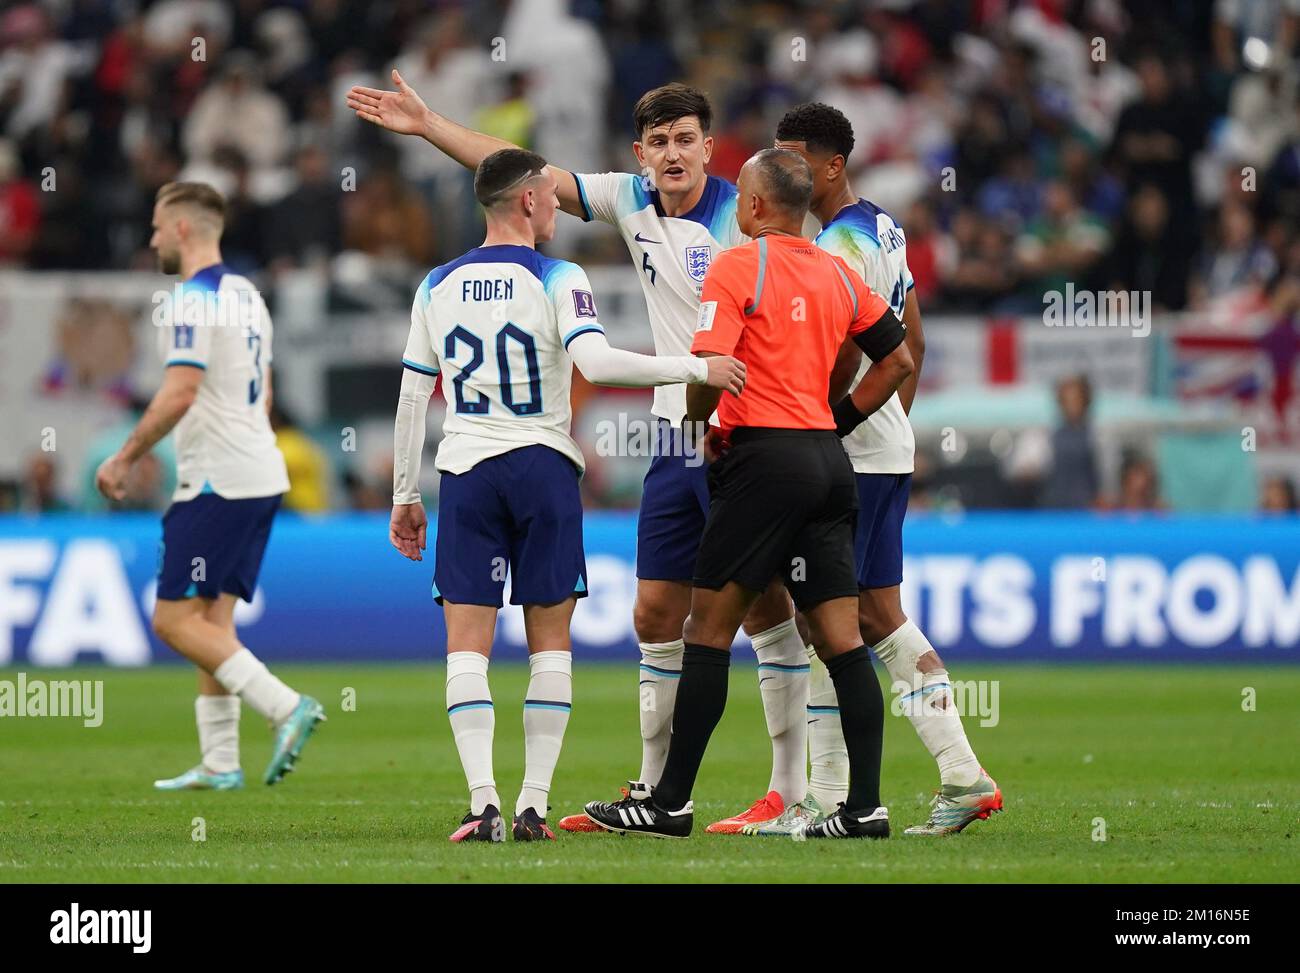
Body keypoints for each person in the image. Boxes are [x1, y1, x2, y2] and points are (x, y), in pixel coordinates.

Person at [349, 76, 813, 834]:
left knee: (766, 609)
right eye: (658, 141)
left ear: (708, 146)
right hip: (674, 433)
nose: (672, 153)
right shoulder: (627, 199)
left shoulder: (747, 212)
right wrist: (430, 123)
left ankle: (789, 790)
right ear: (641, 153)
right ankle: (658, 791)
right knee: (655, 610)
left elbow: (802, 293)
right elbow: (521, 171)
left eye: (685, 139)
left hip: (745, 430)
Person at [386, 148, 745, 843]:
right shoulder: (557, 276)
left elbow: (411, 394)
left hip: (465, 471)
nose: (557, 206)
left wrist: (406, 491)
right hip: (543, 466)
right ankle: (532, 805)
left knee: (467, 647)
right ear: (527, 200)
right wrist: (697, 365)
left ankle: (482, 802)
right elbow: (599, 363)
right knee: (550, 643)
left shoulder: (436, 283)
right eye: (549, 196)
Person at [583, 149, 913, 839]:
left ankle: (668, 801)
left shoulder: (739, 265)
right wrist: (840, 420)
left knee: (706, 628)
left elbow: (711, 366)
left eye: (744, 199)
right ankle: (866, 806)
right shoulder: (838, 269)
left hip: (759, 458)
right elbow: (898, 358)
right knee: (842, 638)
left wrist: (701, 422)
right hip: (828, 464)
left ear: (757, 206)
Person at [759, 102, 1001, 836]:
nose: (781, 173)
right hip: (883, 444)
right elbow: (913, 341)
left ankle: (848, 791)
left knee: (831, 618)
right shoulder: (885, 227)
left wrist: (828, 426)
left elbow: (835, 351)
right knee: (868, 616)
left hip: (851, 451)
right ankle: (943, 777)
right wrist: (893, 418)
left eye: (795, 159)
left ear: (832, 166)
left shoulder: (836, 247)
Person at [95, 181, 324, 791]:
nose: (150, 238)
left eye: (155, 226)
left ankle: (285, 706)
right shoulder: (248, 294)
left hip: (217, 481)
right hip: (259, 472)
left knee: (172, 621)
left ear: (183, 230)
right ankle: (221, 760)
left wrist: (124, 457)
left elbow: (180, 390)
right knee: (211, 621)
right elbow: (266, 390)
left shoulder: (191, 301)